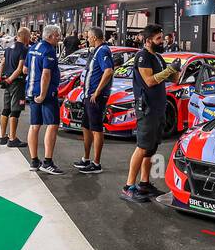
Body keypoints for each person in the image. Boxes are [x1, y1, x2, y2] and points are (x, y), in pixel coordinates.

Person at [120, 24, 180, 203]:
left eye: (162, 38)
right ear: (148, 41)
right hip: (146, 108)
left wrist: (175, 69)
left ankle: (144, 183)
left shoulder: (159, 57)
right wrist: (169, 70)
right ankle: (128, 186)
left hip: (158, 108)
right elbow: (149, 81)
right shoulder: (142, 57)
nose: (162, 41)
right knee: (143, 146)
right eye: (158, 39)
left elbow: (174, 79)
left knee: (152, 147)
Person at [74, 26, 113, 175]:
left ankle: (97, 163)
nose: (87, 39)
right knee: (86, 126)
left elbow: (108, 71)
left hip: (96, 96)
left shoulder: (103, 50)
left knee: (96, 129)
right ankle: (86, 158)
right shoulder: (95, 51)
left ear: (95, 38)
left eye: (88, 37)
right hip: (88, 95)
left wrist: (97, 91)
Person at [26, 23, 64, 175]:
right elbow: (46, 74)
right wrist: (42, 94)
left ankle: (34, 160)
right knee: (53, 124)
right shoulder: (49, 50)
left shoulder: (33, 48)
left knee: (35, 125)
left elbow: (26, 69)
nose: (58, 38)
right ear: (50, 36)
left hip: (30, 90)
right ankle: (47, 161)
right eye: (57, 35)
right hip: (45, 94)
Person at [0, 27, 30, 148]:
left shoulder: (9, 48)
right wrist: (10, 80)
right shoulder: (24, 49)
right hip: (17, 82)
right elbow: (20, 68)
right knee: (15, 110)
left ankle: (2, 136)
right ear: (25, 36)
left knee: (6, 109)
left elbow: (2, 63)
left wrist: (0, 77)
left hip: (6, 82)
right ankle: (12, 138)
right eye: (29, 36)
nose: (30, 38)